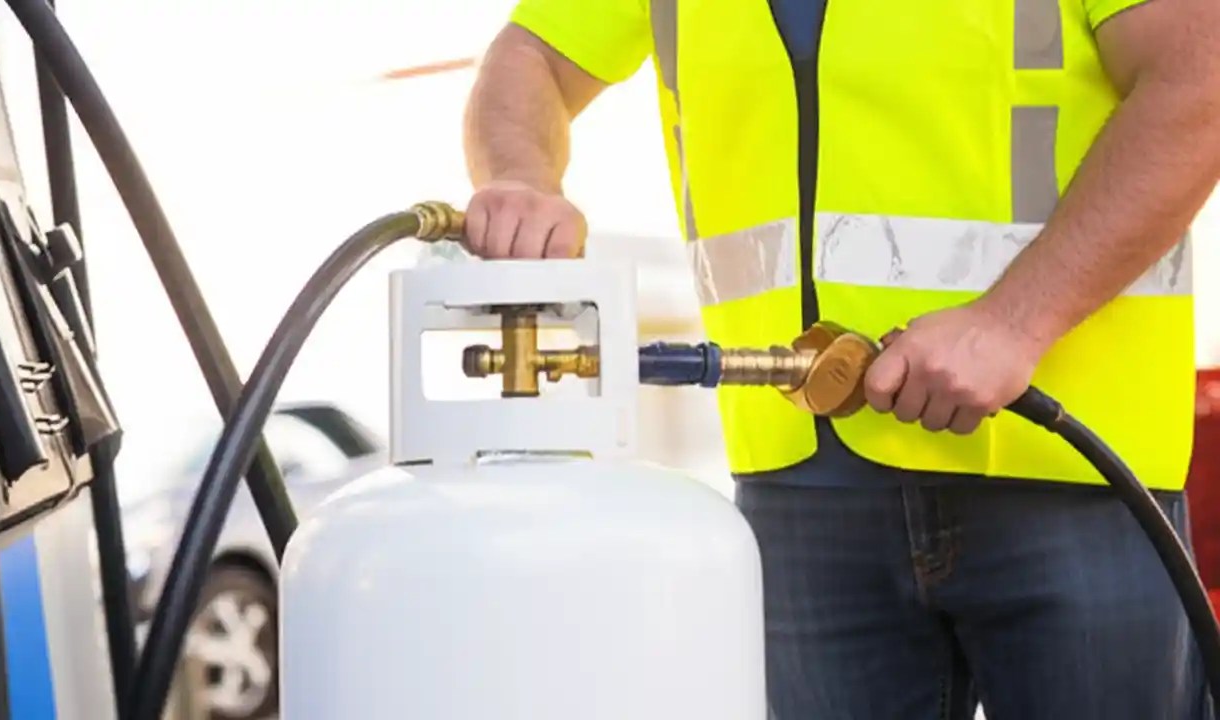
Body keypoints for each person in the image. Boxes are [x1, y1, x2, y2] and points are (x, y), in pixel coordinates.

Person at [460, 1, 1220, 717]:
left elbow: (1201, 73)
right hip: (799, 485)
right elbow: (534, 54)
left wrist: (1015, 323)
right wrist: (519, 176)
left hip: (1064, 468)